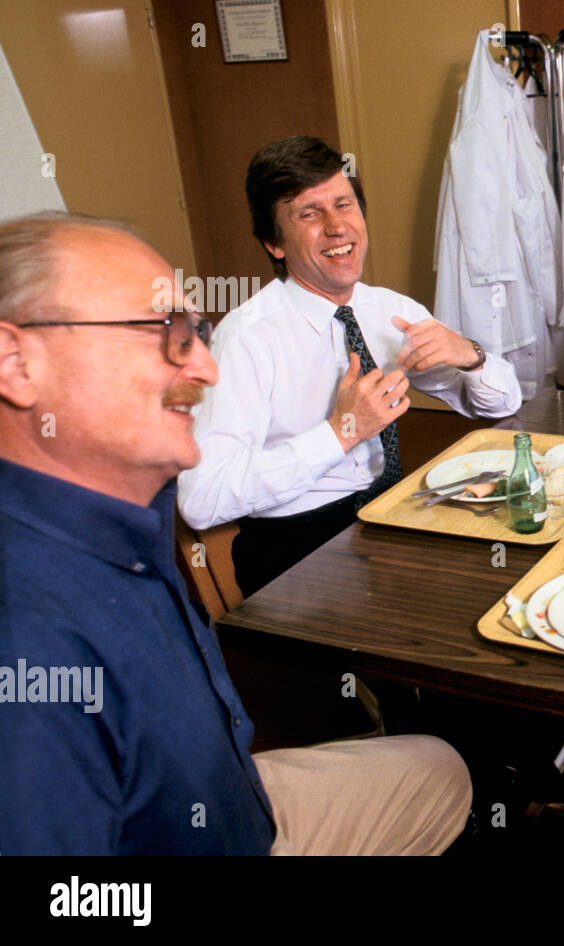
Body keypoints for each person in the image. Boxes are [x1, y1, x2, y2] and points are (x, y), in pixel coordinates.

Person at [0, 214, 471, 854]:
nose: (207, 370)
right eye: (160, 330)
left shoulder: (125, 509)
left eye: (196, 332)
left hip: (231, 797)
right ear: (15, 362)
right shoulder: (29, 647)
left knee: (442, 769)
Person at [178, 136, 523, 594]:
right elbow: (201, 500)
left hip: (393, 517)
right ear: (273, 243)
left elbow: (500, 403)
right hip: (297, 551)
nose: (337, 227)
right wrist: (341, 432)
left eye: (344, 205)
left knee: (514, 580)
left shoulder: (388, 309)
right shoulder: (245, 338)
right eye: (309, 214)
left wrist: (471, 355)